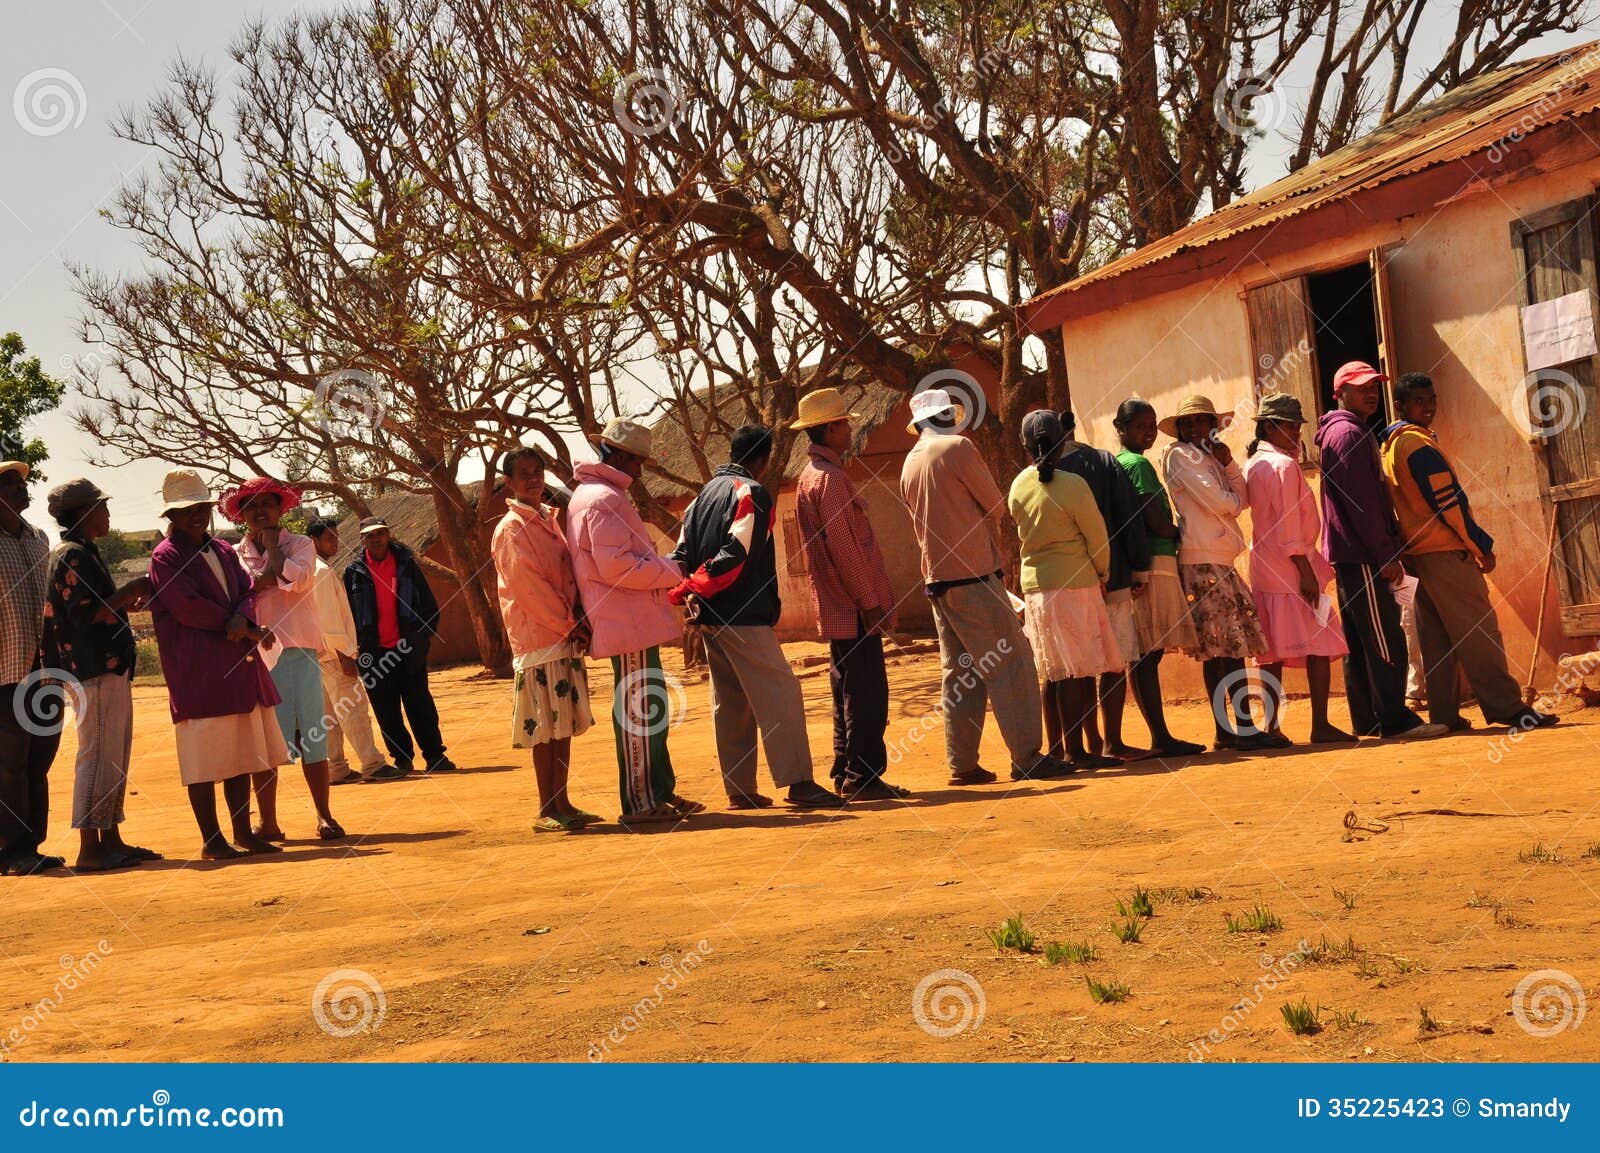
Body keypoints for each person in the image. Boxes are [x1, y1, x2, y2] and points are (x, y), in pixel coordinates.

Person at [669, 425, 848, 810]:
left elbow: (679, 555)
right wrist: (703, 585)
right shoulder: (750, 492)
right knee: (781, 692)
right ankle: (799, 782)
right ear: (763, 459)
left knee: (731, 701)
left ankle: (740, 789)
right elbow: (739, 551)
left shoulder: (699, 499)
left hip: (709, 616)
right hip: (742, 613)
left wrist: (691, 591)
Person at [899, 388, 1073, 783]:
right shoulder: (958, 448)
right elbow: (996, 506)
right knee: (1011, 665)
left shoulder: (909, 463)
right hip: (973, 575)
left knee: (960, 675)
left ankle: (963, 763)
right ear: (945, 416)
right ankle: (1027, 757)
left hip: (938, 582)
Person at [1381, 372, 1556, 731]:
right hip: (1444, 553)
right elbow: (1449, 505)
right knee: (1481, 631)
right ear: (1400, 405)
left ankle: (1444, 716)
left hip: (1417, 555)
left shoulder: (1392, 446)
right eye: (1419, 401)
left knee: (1438, 640)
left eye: (1431, 399)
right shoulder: (1418, 446)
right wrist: (1481, 547)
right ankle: (1509, 709)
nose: (1428, 407)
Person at [566, 418, 702, 826]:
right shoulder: (602, 498)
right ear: (621, 455)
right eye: (637, 460)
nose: (640, 469)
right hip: (625, 620)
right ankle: (640, 801)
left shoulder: (595, 495)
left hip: (631, 619)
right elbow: (616, 567)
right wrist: (672, 569)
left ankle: (660, 791)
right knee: (639, 711)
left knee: (649, 707)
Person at [147, 469, 285, 860]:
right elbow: (186, 607)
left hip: (237, 664)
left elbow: (247, 591)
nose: (196, 515)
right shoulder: (166, 557)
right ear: (171, 516)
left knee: (242, 755)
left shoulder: (223, 550)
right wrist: (236, 622)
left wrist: (242, 618)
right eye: (186, 509)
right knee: (204, 761)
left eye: (201, 507)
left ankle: (243, 832)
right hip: (198, 672)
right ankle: (212, 839)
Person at [1313, 362, 1446, 741]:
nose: (1371, 392)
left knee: (1360, 641)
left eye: (1374, 386)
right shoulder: (1349, 434)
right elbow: (1363, 504)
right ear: (1340, 393)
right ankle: (1394, 720)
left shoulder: (1342, 432)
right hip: (1365, 555)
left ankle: (1367, 718)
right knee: (1384, 637)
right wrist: (1385, 554)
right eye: (1361, 387)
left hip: (1351, 554)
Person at [791, 388, 909, 801]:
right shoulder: (831, 480)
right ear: (828, 429)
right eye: (843, 423)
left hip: (838, 606)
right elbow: (845, 549)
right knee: (867, 692)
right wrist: (870, 602)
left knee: (846, 689)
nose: (849, 428)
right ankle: (863, 776)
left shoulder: (811, 478)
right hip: (855, 607)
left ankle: (846, 770)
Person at [43, 479, 159, 871]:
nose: (107, 514)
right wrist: (130, 590)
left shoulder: (82, 552)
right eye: (101, 508)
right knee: (96, 754)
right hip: (93, 667)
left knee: (113, 753)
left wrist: (124, 600)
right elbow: (89, 615)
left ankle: (111, 836)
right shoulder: (72, 555)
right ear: (82, 513)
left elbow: (98, 609)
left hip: (107, 666)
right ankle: (90, 848)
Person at [228, 479, 345, 841]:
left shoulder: (303, 544)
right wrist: (269, 567)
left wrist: (271, 554)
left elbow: (297, 581)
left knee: (313, 735)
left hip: (301, 650)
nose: (260, 511)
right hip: (259, 656)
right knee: (266, 740)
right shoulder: (234, 553)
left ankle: (324, 815)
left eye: (267, 504)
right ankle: (269, 821)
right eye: (251, 506)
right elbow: (249, 587)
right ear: (243, 515)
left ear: (282, 510)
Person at [1008, 410, 1126, 770]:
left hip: (1037, 588)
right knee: (1080, 669)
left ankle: (1058, 748)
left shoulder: (1018, 485)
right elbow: (1097, 536)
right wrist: (1103, 572)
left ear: (1025, 446)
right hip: (1076, 582)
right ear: (1063, 443)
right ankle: (1078, 749)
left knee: (1054, 669)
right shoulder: (1073, 485)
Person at [491, 446, 600, 832]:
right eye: (524, 473)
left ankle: (564, 801)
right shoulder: (510, 529)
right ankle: (546, 808)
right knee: (545, 727)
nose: (533, 479)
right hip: (539, 639)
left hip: (564, 633)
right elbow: (528, 588)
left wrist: (578, 619)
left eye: (537, 471)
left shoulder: (547, 519)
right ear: (509, 482)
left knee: (563, 723)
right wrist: (568, 624)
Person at [1160, 394, 1276, 750]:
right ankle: (1233, 729)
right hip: (1203, 559)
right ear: (1180, 429)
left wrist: (1228, 466)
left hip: (1220, 559)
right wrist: (1230, 495)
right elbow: (1225, 503)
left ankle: (1234, 729)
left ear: (1213, 425)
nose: (1196, 428)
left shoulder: (1210, 458)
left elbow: (1241, 500)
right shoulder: (1179, 456)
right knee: (1221, 649)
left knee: (1231, 647)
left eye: (1202, 421)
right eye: (1189, 423)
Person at [1242, 395, 1356, 744]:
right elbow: (1289, 524)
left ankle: (1273, 727)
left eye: (1297, 426)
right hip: (1292, 566)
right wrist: (1305, 569)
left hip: (1266, 564)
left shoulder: (1254, 463)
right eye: (1289, 425)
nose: (1295, 432)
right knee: (1319, 644)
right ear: (1269, 427)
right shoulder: (1283, 465)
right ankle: (1319, 724)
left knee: (1272, 651)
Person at [1055, 409, 1153, 759]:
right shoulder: (1103, 462)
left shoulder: (1036, 474)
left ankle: (1086, 742)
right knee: (1115, 660)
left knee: (1075, 665)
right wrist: (1140, 567)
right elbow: (1129, 518)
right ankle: (1112, 740)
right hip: (1111, 576)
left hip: (1065, 583)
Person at [1111, 400, 1206, 757]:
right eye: (1140, 426)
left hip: (1143, 561)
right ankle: (1160, 737)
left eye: (1152, 425)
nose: (1148, 432)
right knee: (1148, 653)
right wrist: (1179, 531)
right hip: (1157, 558)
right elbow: (1153, 517)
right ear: (1121, 428)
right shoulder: (1136, 464)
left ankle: (1158, 735)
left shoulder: (1120, 463)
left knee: (1144, 652)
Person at [344, 516, 457, 775]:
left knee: (420, 705)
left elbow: (429, 607)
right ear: (363, 539)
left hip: (408, 651)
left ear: (388, 535)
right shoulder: (353, 572)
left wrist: (420, 640)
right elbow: (347, 614)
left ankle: (435, 756)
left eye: (381, 533)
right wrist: (358, 648)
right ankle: (402, 760)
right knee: (386, 711)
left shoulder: (406, 565)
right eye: (371, 535)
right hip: (373, 655)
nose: (377, 539)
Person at [0, 460, 64, 875]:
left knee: (38, 760)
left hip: (43, 671)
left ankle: (31, 845)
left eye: (22, 483)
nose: (23, 490)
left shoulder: (39, 538)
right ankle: (8, 852)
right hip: (3, 672)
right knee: (8, 764)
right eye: (11, 484)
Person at [306, 518, 405, 783]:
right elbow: (329, 620)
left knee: (328, 716)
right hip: (335, 654)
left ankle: (336, 768)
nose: (335, 542)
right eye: (329, 538)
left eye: (336, 537)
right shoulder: (320, 572)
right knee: (353, 710)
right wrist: (346, 654)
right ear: (313, 541)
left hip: (318, 654)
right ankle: (372, 764)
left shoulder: (309, 569)